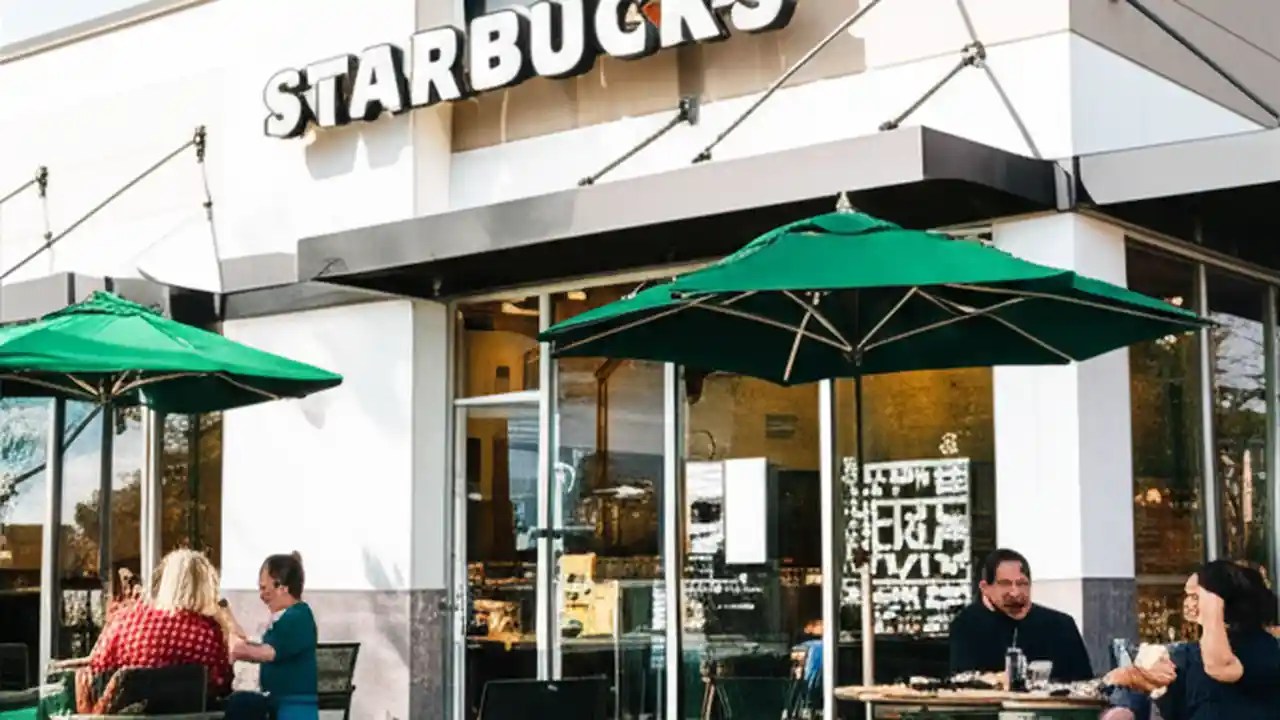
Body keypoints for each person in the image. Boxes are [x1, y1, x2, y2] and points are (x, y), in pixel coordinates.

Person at [88, 549, 233, 702]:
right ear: (206, 588)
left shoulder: (124, 621)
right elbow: (222, 683)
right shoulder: (207, 633)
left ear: (165, 581)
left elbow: (97, 669)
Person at [949, 548, 1093, 681]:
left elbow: (1084, 682)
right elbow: (963, 680)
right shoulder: (966, 624)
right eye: (1005, 584)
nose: (1015, 593)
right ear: (985, 588)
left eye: (1022, 584)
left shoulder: (1061, 625)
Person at [225, 552, 318, 720]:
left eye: (264, 588)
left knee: (241, 704)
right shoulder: (290, 617)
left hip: (292, 706)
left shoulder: (296, 617)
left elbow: (267, 652)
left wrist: (237, 649)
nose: (261, 596)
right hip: (281, 701)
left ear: (282, 587)